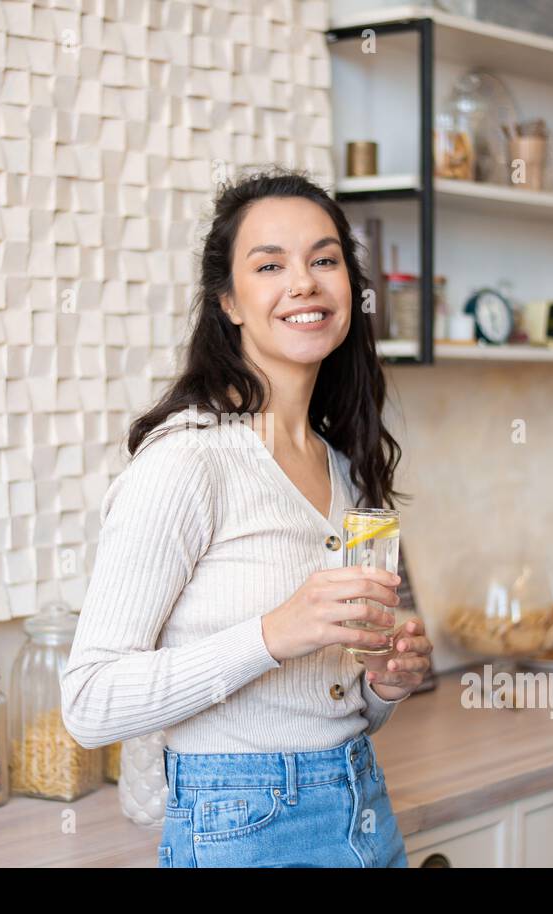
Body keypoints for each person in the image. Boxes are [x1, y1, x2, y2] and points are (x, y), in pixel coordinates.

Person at [60, 168, 432, 867]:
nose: (305, 283)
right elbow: (89, 701)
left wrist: (382, 683)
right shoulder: (188, 463)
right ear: (228, 300)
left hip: (361, 804)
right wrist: (271, 633)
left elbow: (330, 701)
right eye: (271, 265)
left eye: (325, 260)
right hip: (241, 824)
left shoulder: (348, 468)